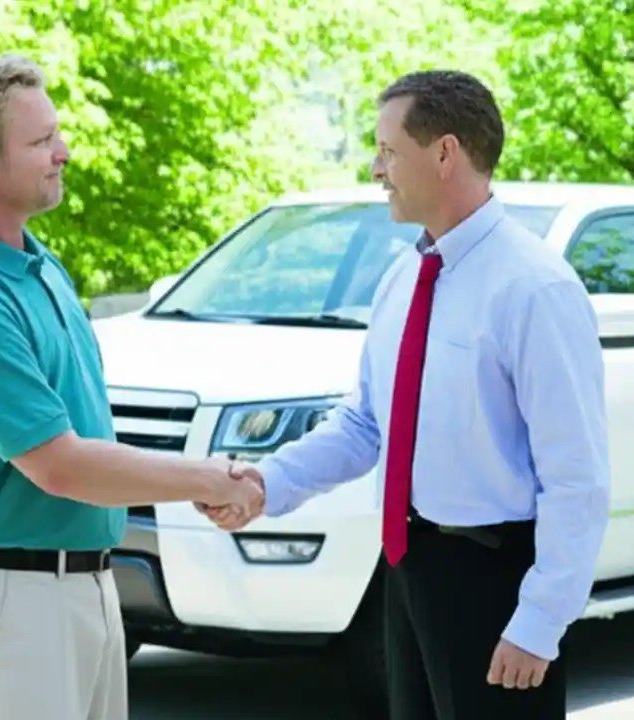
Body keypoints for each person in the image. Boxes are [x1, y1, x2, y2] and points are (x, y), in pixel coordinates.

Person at [201, 69, 611, 719]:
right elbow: (366, 424)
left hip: (496, 584)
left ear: (445, 152)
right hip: (408, 571)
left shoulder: (535, 288)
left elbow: (577, 477)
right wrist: (266, 483)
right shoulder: (403, 279)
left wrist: (540, 619)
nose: (375, 168)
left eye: (387, 151)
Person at [0, 55, 261, 720]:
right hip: (9, 602)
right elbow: (59, 464)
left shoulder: (33, 262)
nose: (62, 152)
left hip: (81, 583)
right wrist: (206, 479)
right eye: (40, 141)